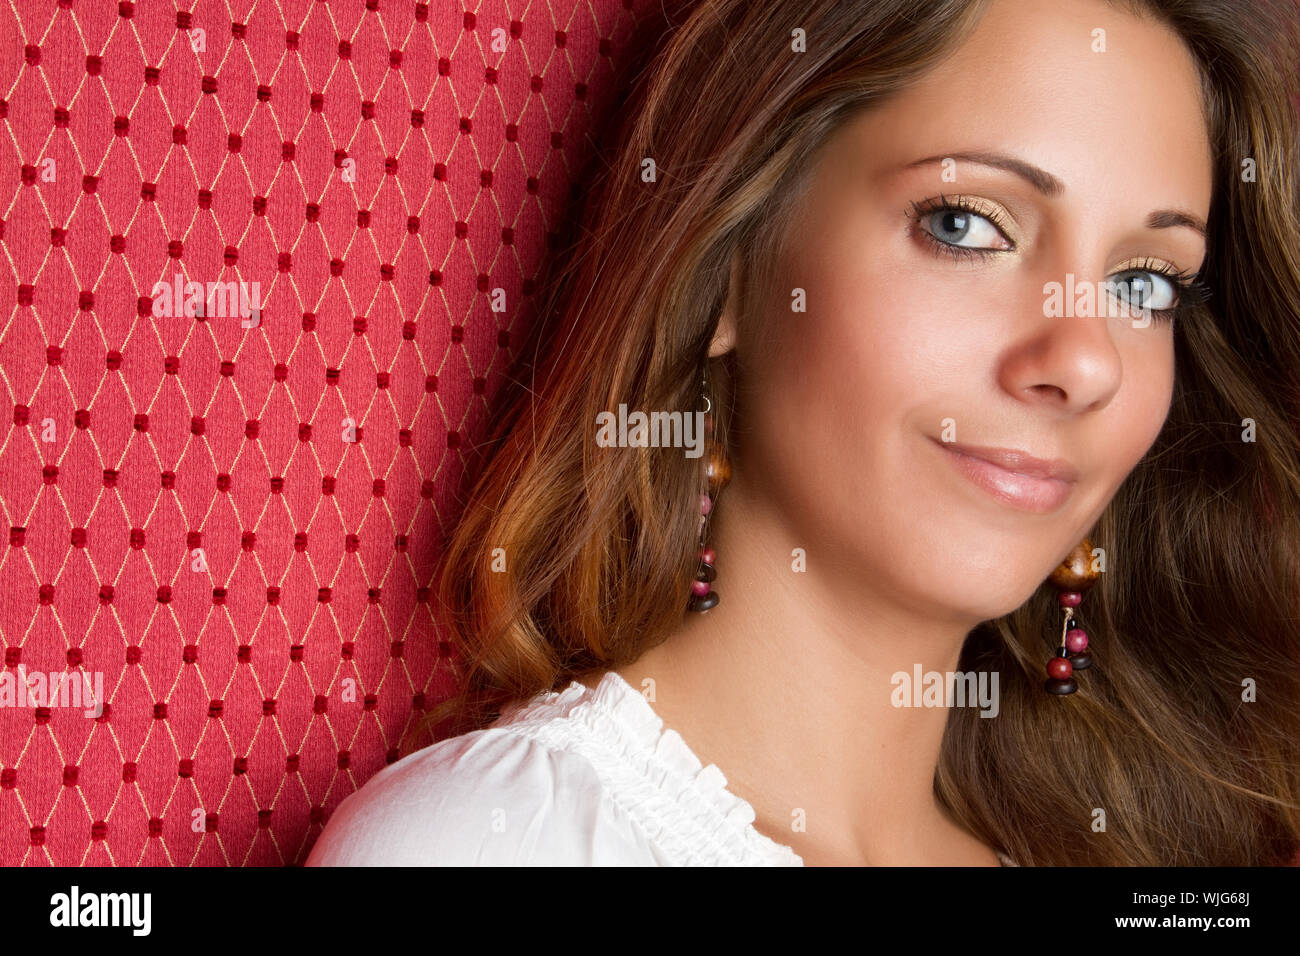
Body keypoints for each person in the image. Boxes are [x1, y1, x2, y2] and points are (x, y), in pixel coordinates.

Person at [306, 0, 1300, 867]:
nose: (1084, 360)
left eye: (1143, 283)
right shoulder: (497, 842)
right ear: (733, 264)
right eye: (964, 224)